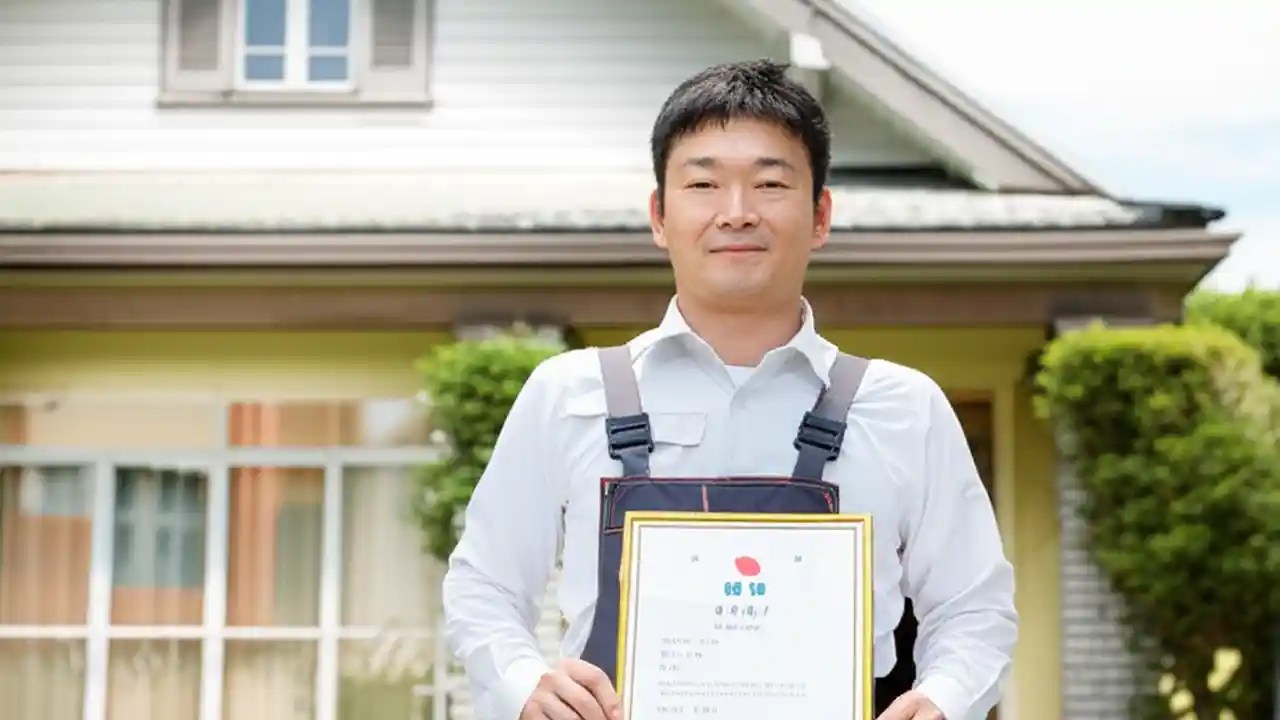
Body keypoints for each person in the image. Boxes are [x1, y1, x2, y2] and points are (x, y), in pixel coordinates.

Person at [442, 59, 1018, 720]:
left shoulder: (904, 408)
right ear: (660, 216)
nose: (736, 213)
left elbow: (975, 609)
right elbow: (483, 585)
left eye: (770, 183)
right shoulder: (568, 394)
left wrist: (942, 700)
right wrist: (524, 683)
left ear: (821, 215)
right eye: (704, 183)